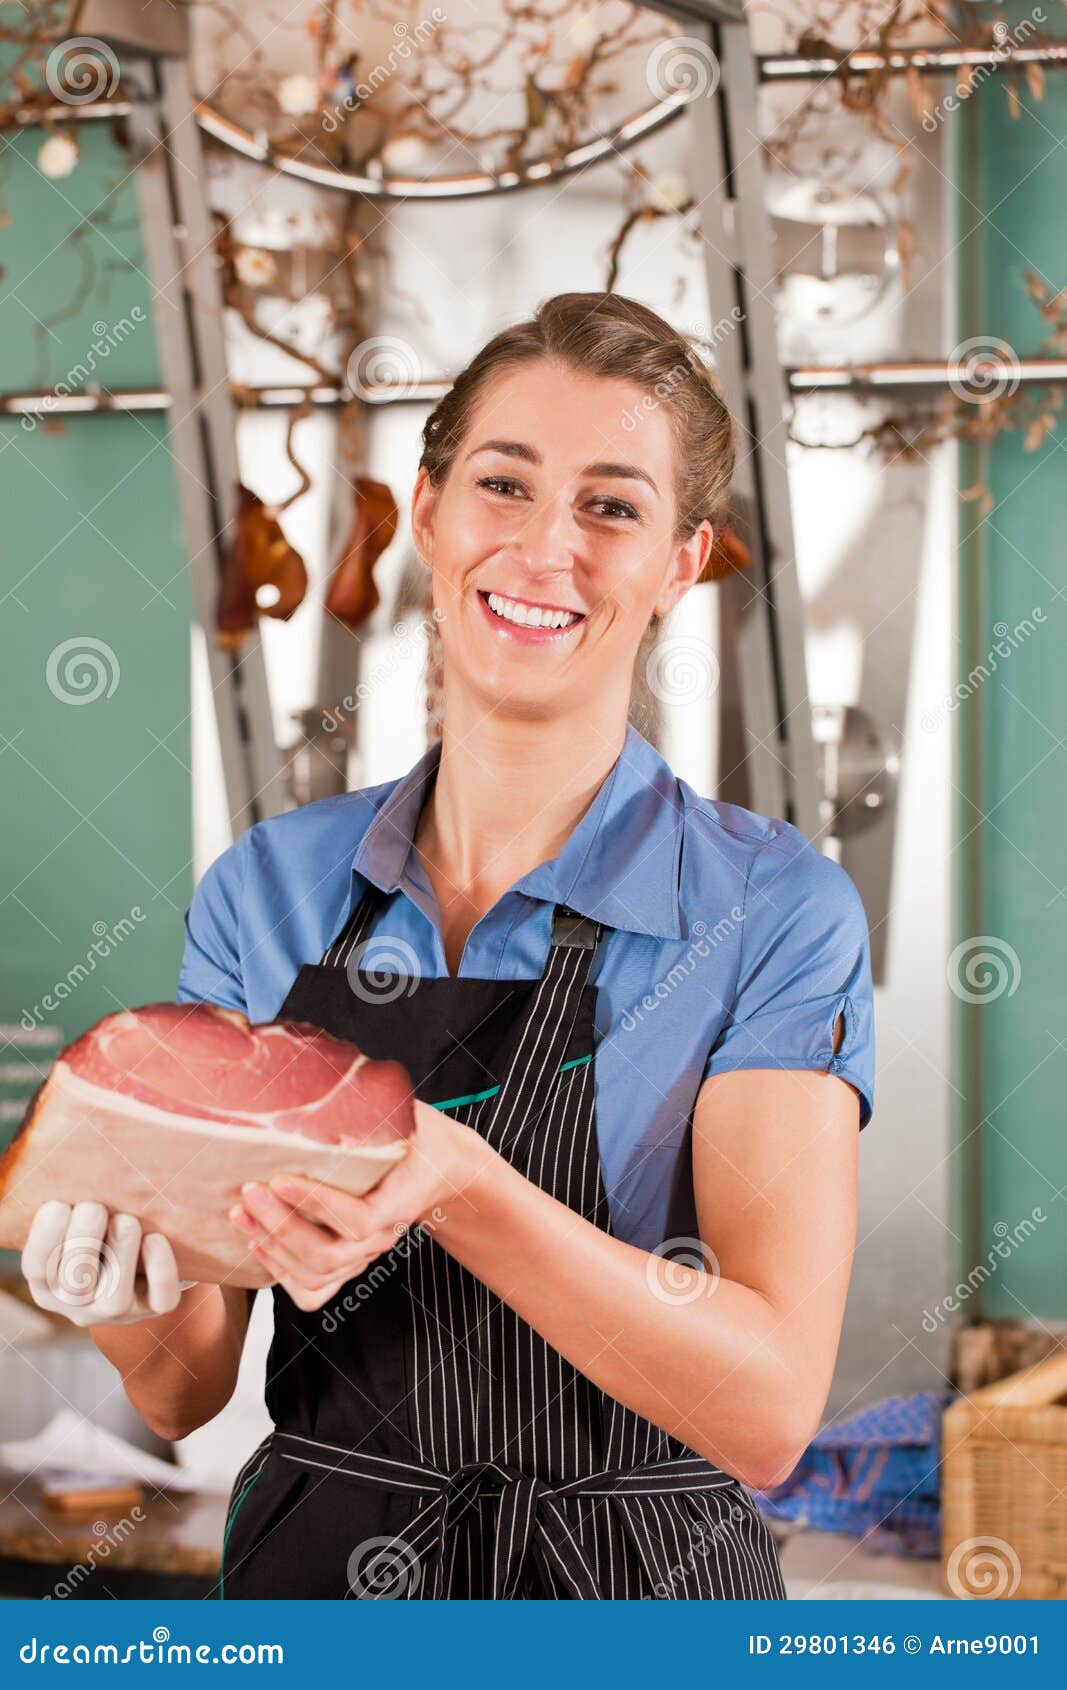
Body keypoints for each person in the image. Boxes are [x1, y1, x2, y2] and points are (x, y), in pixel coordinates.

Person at [23, 292, 875, 1600]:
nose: (545, 548)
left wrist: (460, 1182)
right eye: (503, 484)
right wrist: (122, 1296)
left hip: (633, 1602)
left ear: (680, 564)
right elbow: (188, 1385)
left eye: (612, 507)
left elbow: (765, 1412)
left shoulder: (772, 910)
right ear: (427, 512)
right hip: (322, 1593)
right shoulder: (272, 886)